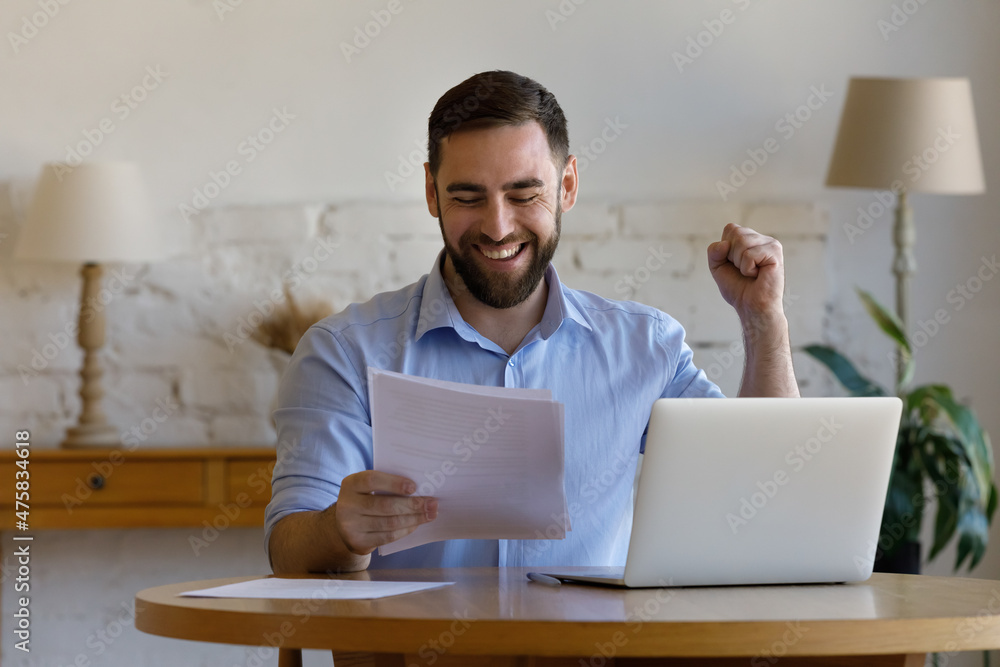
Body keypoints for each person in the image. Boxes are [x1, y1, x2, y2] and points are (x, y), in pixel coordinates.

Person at [266, 70, 799, 575]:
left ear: (567, 185)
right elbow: (289, 550)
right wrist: (342, 530)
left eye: (525, 194)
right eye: (467, 197)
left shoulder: (646, 346)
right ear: (431, 193)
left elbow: (760, 484)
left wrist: (763, 322)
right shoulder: (343, 352)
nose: (498, 227)